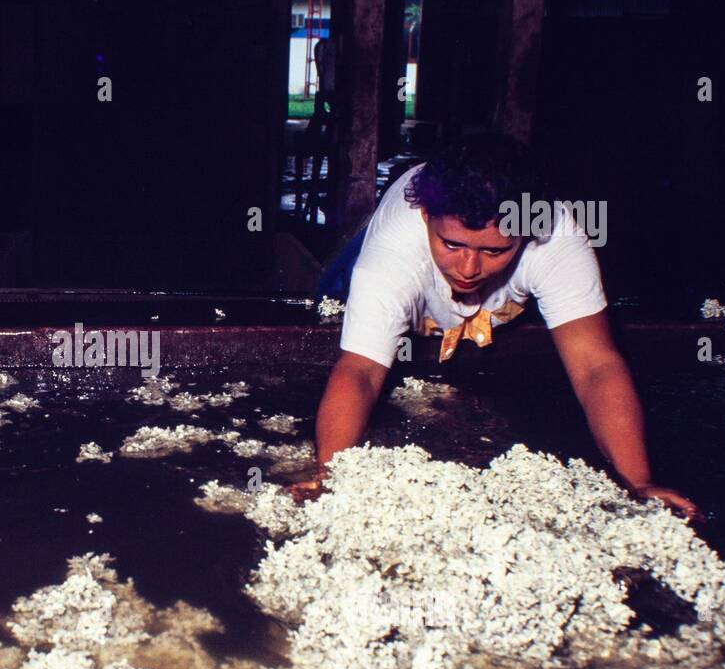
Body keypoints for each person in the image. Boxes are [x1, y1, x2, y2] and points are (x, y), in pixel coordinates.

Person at [294, 134, 700, 521]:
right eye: (452, 244)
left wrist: (638, 482)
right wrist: (332, 475)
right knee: (334, 308)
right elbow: (361, 371)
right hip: (388, 270)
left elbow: (596, 366)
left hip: (499, 303)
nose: (469, 269)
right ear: (425, 217)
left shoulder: (556, 235)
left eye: (494, 250)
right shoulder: (393, 250)